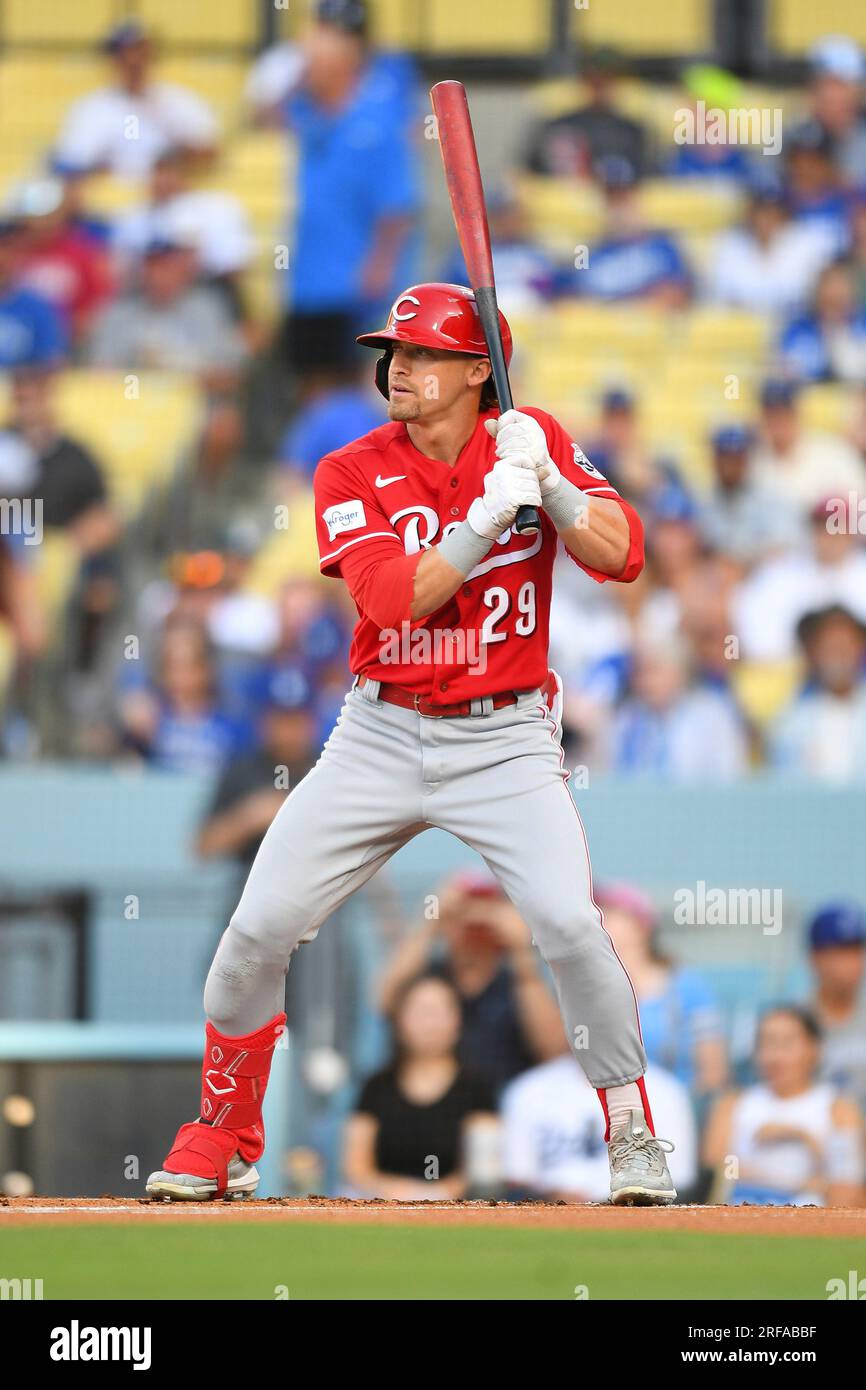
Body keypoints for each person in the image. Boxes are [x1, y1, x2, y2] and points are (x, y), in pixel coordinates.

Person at [146, 280, 678, 1206]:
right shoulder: (349, 467)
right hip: (379, 731)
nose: (401, 368)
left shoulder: (533, 437)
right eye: (397, 351)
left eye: (429, 354)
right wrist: (484, 521)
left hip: (505, 735)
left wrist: (550, 487)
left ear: (481, 371)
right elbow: (392, 601)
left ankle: (630, 1129)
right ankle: (223, 1132)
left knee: (566, 923)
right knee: (257, 930)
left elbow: (624, 553)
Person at [263, 0, 421, 378]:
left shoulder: (378, 122)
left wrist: (379, 267)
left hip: (355, 284)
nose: (308, 68)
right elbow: (266, 115)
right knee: (309, 385)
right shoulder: (309, 113)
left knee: (352, 388)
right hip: (308, 280)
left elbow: (398, 207)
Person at [378, 872, 565, 1094]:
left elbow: (553, 1049)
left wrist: (522, 952)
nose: (475, 929)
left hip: (507, 1106)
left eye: (488, 916)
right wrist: (429, 922)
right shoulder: (431, 979)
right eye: (463, 915)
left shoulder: (521, 983)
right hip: (442, 1105)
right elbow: (386, 1000)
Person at [343, 974, 496, 1199]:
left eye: (439, 1012)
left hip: (457, 1211)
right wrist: (399, 1192)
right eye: (420, 1012)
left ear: (458, 1020)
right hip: (383, 1206)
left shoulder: (476, 1088)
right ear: (399, 1020)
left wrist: (437, 1194)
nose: (429, 1023)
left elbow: (483, 1168)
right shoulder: (376, 1087)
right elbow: (356, 1167)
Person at [703, 1006, 864, 1206]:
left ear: (814, 1049)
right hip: (741, 1209)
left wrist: (803, 1139)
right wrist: (792, 1178)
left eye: (787, 1044)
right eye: (767, 1043)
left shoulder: (838, 1109)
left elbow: (847, 1182)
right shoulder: (733, 1104)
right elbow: (721, 1170)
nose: (775, 1057)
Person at [502, 1053, 697, 1203]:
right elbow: (518, 1179)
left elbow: (678, 1183)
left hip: (632, 1216)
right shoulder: (529, 1090)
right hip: (551, 1213)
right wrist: (556, 1198)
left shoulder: (666, 1091)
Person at [595, 883, 728, 1098]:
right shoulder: (590, 989)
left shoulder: (687, 986)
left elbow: (714, 1072)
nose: (598, 921)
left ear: (641, 926)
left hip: (673, 1114)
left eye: (608, 913)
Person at [55, 21, 218, 179]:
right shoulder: (89, 109)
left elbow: (209, 153)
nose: (134, 60)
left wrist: (180, 151)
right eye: (124, 53)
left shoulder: (181, 102)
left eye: (141, 51)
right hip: (107, 200)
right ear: (113, 59)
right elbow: (73, 163)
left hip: (170, 199)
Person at [197, 665, 318, 871]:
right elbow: (203, 847)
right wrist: (249, 817)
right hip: (249, 890)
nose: (289, 731)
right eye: (281, 720)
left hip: (317, 892)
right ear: (264, 722)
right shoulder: (243, 769)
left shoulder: (326, 768)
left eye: (296, 720)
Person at [707, 174, 834, 319]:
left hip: (793, 330)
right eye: (761, 211)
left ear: (786, 216)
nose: (766, 219)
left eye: (774, 212)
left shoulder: (810, 245)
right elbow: (718, 302)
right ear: (749, 214)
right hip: (743, 333)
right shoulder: (728, 245)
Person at [574, 157, 690, 308]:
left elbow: (675, 295)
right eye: (610, 200)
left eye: (623, 198)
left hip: (648, 327)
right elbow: (574, 300)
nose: (618, 208)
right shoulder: (585, 252)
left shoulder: (663, 245)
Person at [771, 604, 866, 781]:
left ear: (859, 649)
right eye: (830, 648)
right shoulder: (791, 722)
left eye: (843, 648)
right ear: (814, 653)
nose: (837, 657)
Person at [524, 46, 648, 178]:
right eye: (595, 78)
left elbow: (644, 176)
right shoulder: (559, 127)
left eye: (608, 78)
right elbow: (535, 173)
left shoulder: (632, 132)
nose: (602, 84)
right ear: (585, 80)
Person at [750, 378, 865, 516]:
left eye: (783, 413)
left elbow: (860, 506)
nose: (777, 422)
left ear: (796, 413)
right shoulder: (754, 462)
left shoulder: (833, 452)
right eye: (771, 414)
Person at [698, 424, 801, 567]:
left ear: (747, 460)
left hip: (762, 582)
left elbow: (785, 549)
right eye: (724, 457)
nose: (729, 466)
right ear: (715, 460)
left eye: (736, 459)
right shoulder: (704, 504)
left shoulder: (771, 501)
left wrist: (744, 560)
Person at [804, 903, 866, 1115]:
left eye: (857, 950)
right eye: (840, 951)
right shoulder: (794, 1021)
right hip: (814, 1136)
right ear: (815, 958)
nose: (852, 961)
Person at [778, 258, 866, 385]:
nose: (833, 295)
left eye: (839, 299)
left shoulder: (862, 327)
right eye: (829, 299)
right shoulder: (797, 331)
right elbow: (789, 372)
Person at [0, 219, 67, 370]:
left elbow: (49, 361)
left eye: (7, 249)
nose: (2, 257)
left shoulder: (38, 308)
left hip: (19, 389)